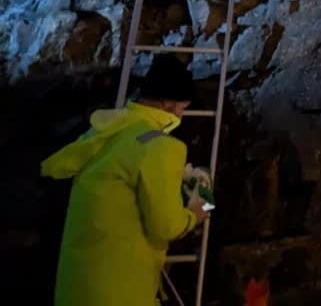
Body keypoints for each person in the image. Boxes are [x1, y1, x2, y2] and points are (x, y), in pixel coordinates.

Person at [41, 55, 210, 306]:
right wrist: (199, 210)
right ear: (167, 103)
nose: (182, 115)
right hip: (120, 291)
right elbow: (166, 225)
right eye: (183, 108)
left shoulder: (109, 129)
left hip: (79, 287)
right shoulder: (161, 147)